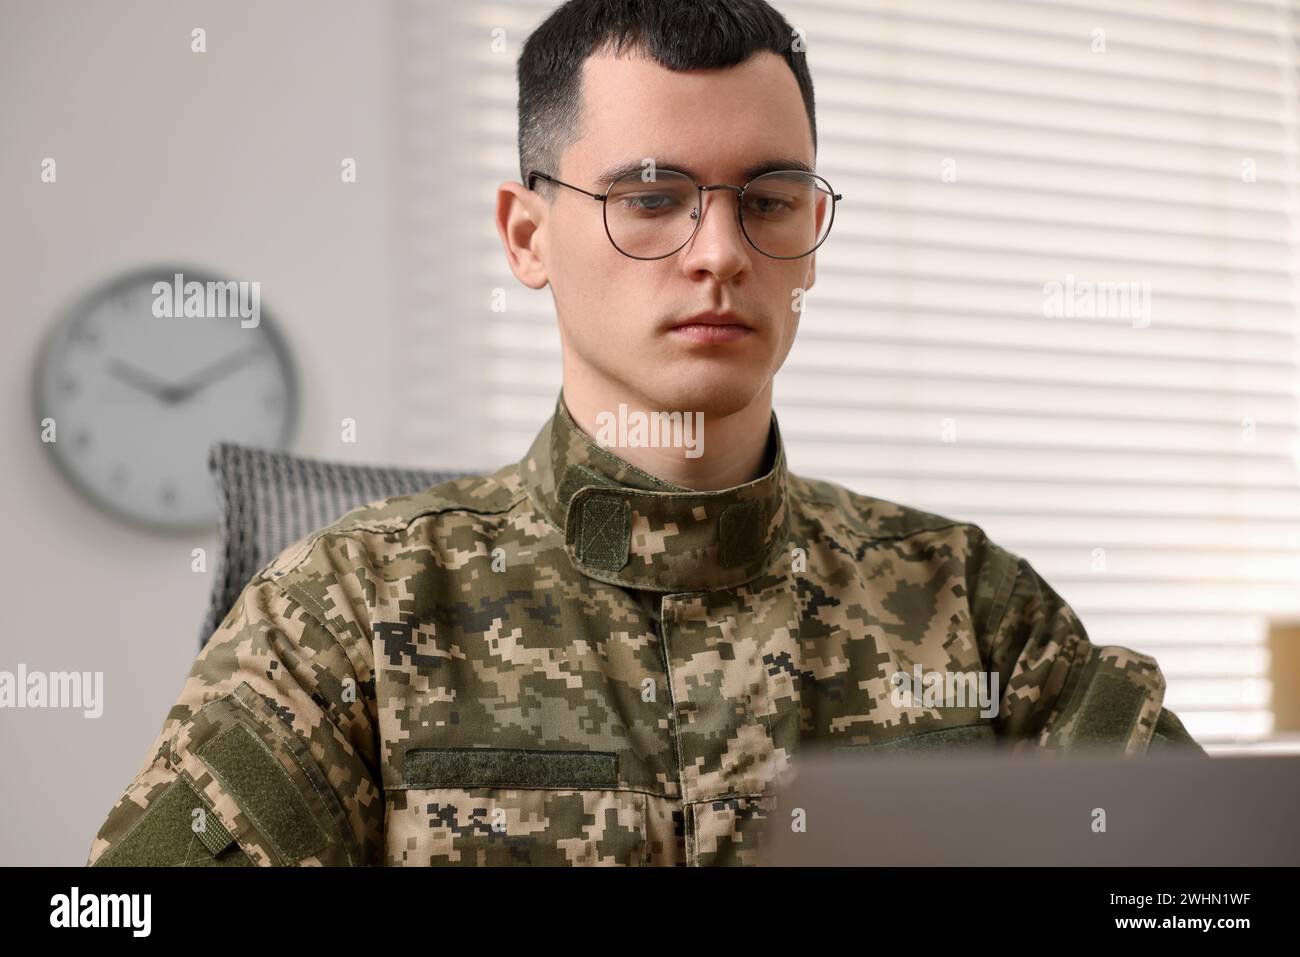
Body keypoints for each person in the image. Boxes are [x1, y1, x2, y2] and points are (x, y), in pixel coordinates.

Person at [86, 0, 1202, 869]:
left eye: (768, 199)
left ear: (808, 240)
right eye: (652, 198)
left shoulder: (973, 608)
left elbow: (1204, 891)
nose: (719, 251)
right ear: (528, 236)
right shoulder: (343, 612)